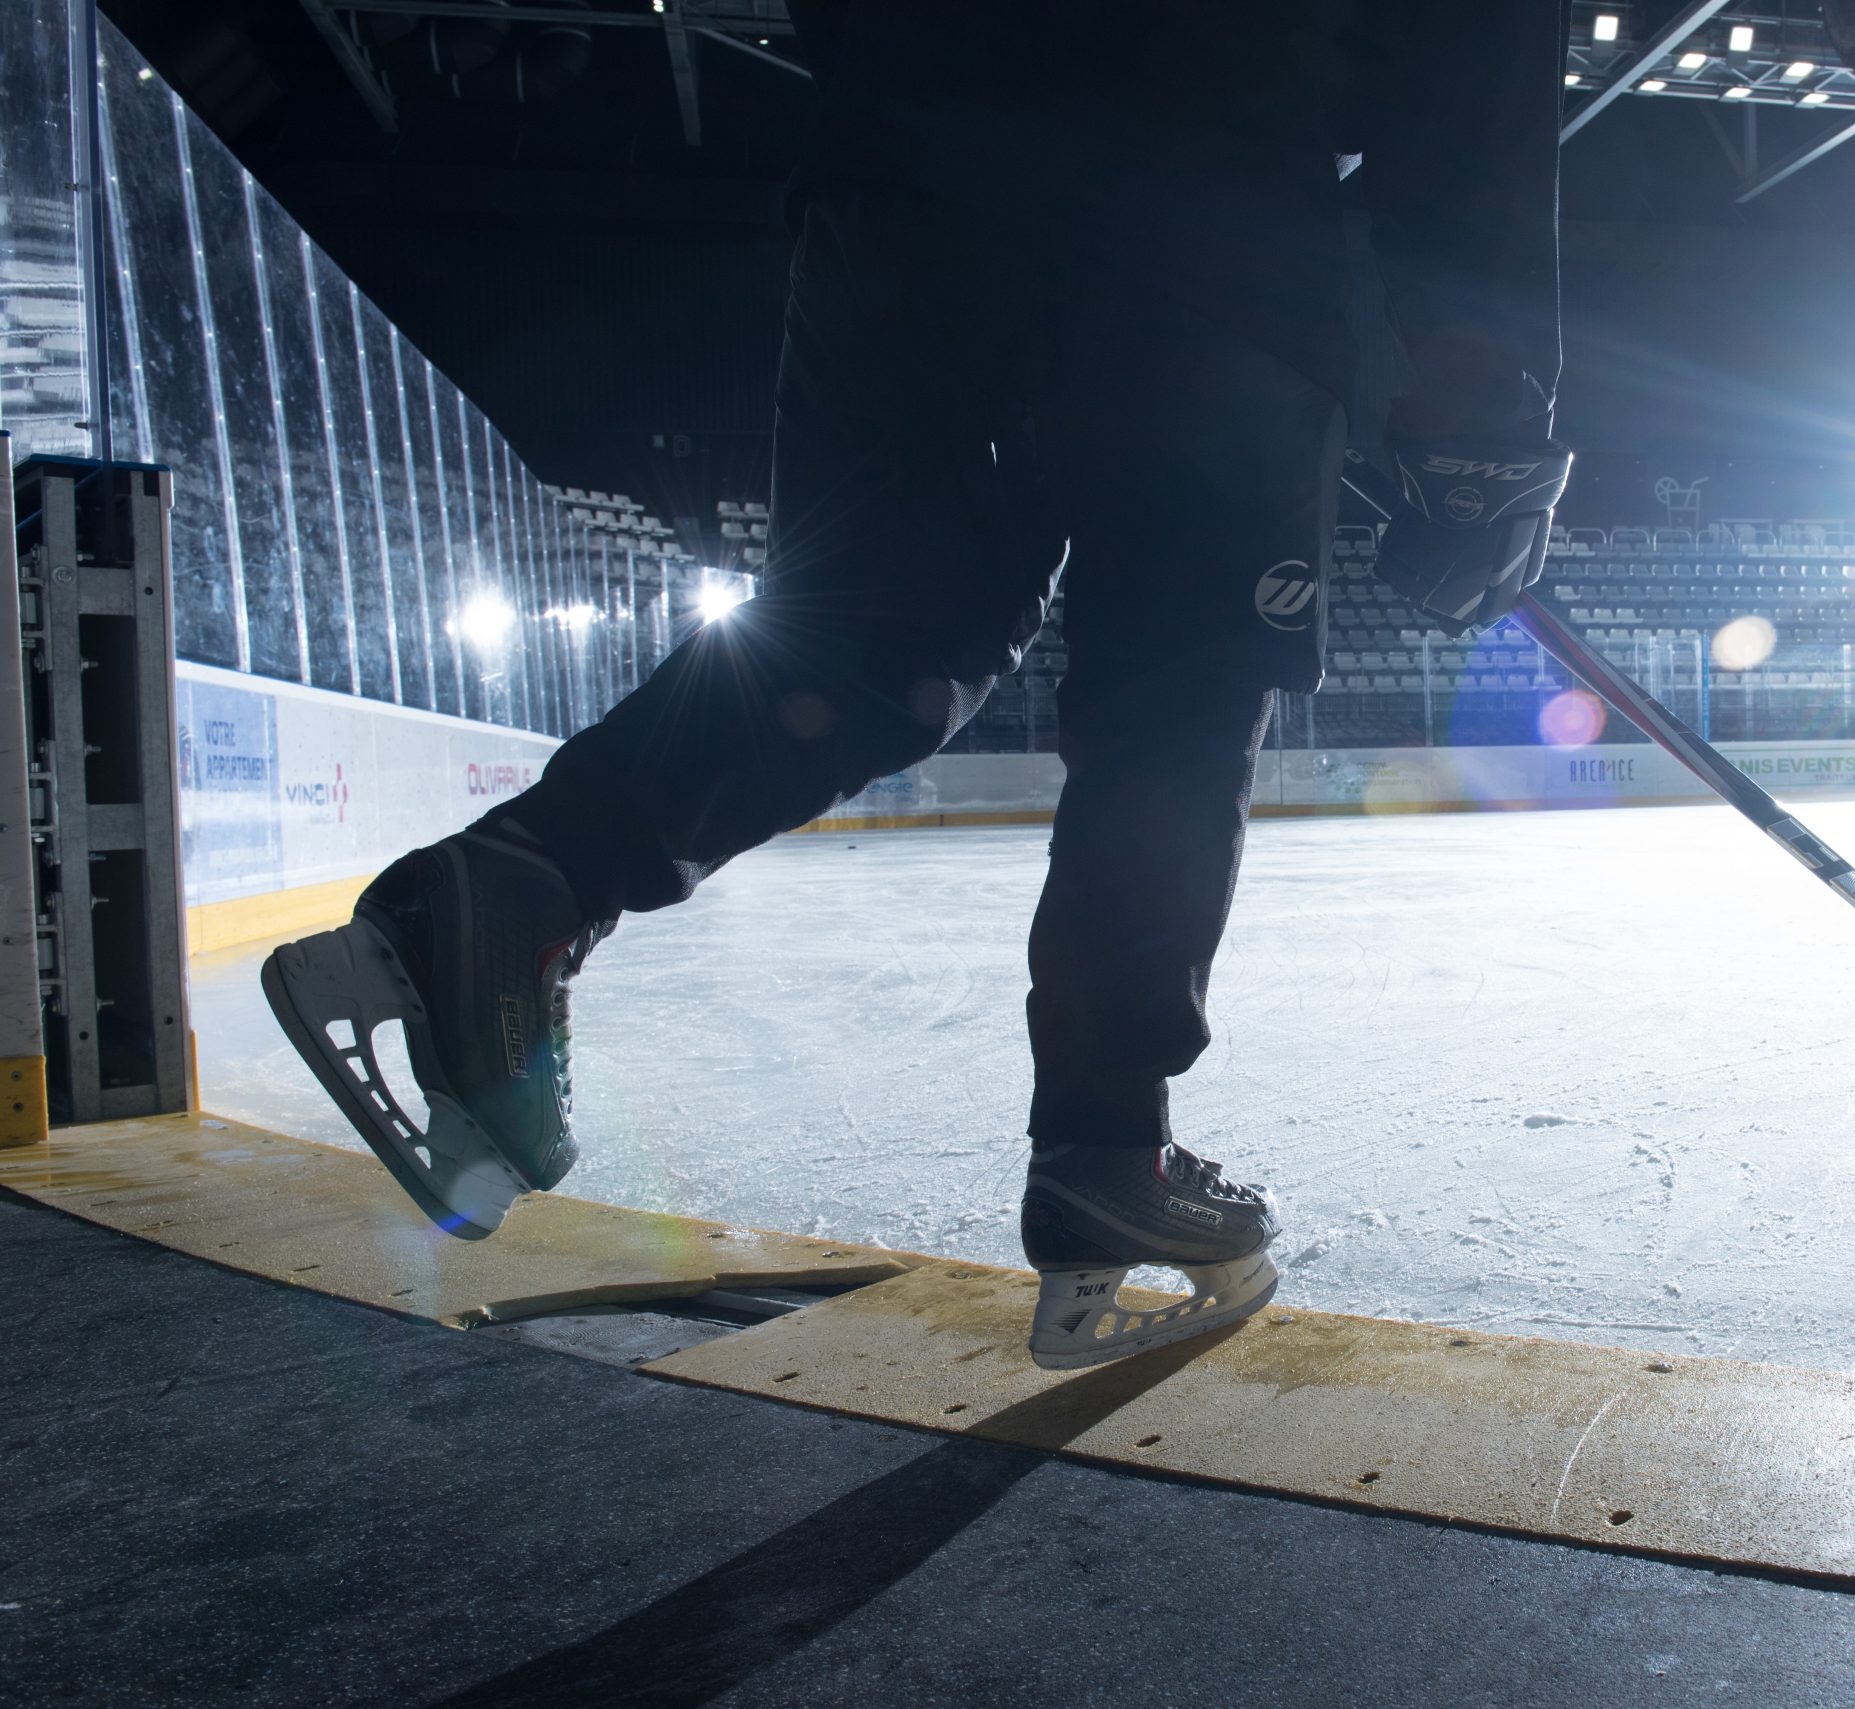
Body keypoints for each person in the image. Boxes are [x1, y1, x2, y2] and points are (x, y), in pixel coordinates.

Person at [262, 1, 1571, 1368]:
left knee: (878, 633)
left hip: (898, 176)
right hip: (1205, 207)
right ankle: (1107, 1143)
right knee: (1178, 683)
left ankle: (526, 874)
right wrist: (1480, 412)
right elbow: (1473, 48)